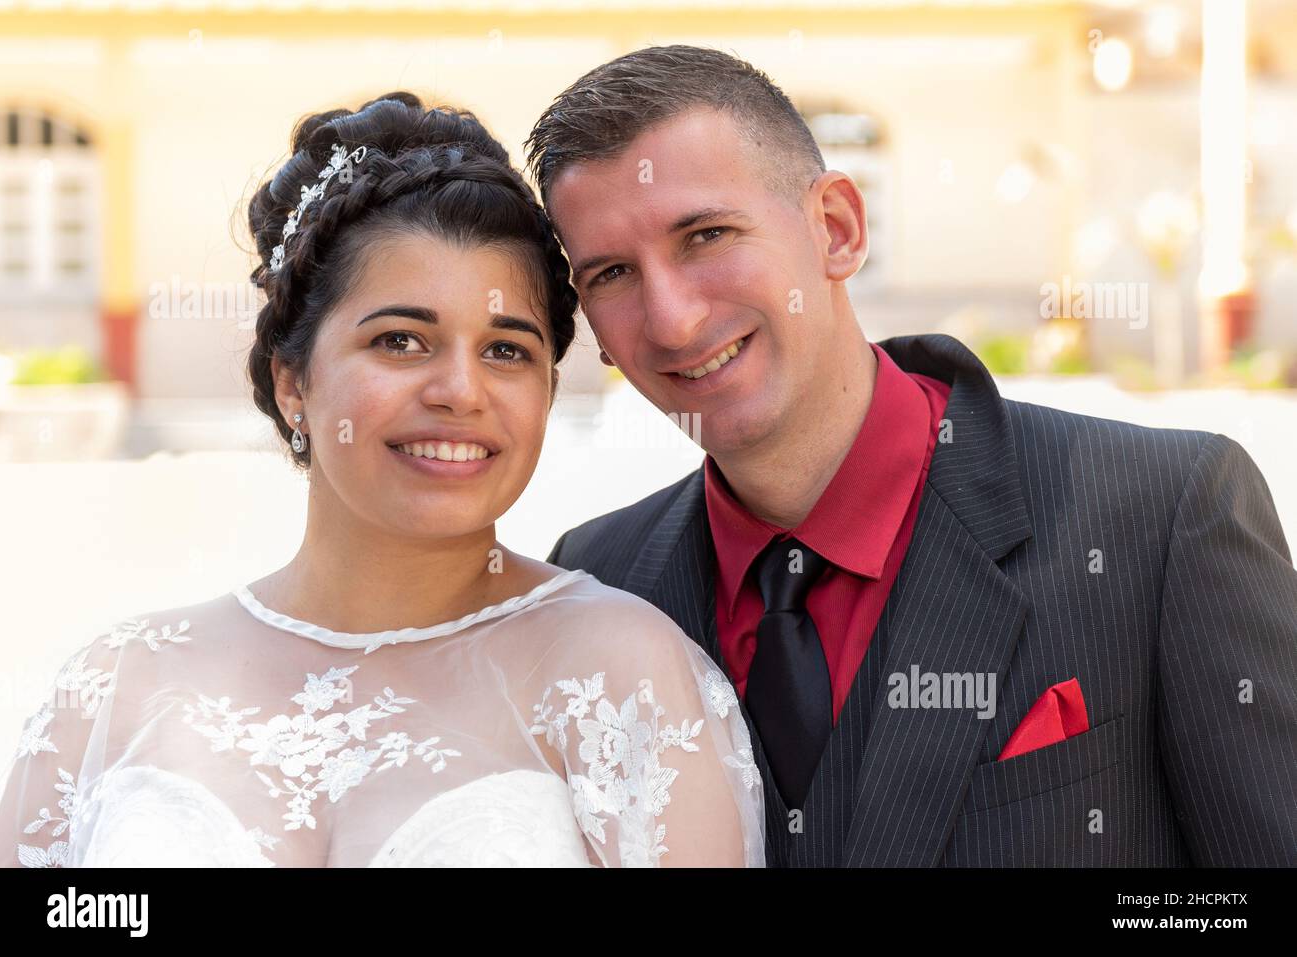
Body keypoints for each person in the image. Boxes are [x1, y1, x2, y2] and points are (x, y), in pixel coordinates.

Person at [528, 45, 1297, 866]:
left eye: (706, 234)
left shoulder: (1165, 514)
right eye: (612, 272)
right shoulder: (596, 582)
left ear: (837, 229)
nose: (673, 319)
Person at [0, 92, 762, 868]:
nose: (461, 392)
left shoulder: (621, 675)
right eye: (401, 340)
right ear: (292, 381)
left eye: (506, 350)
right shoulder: (112, 690)